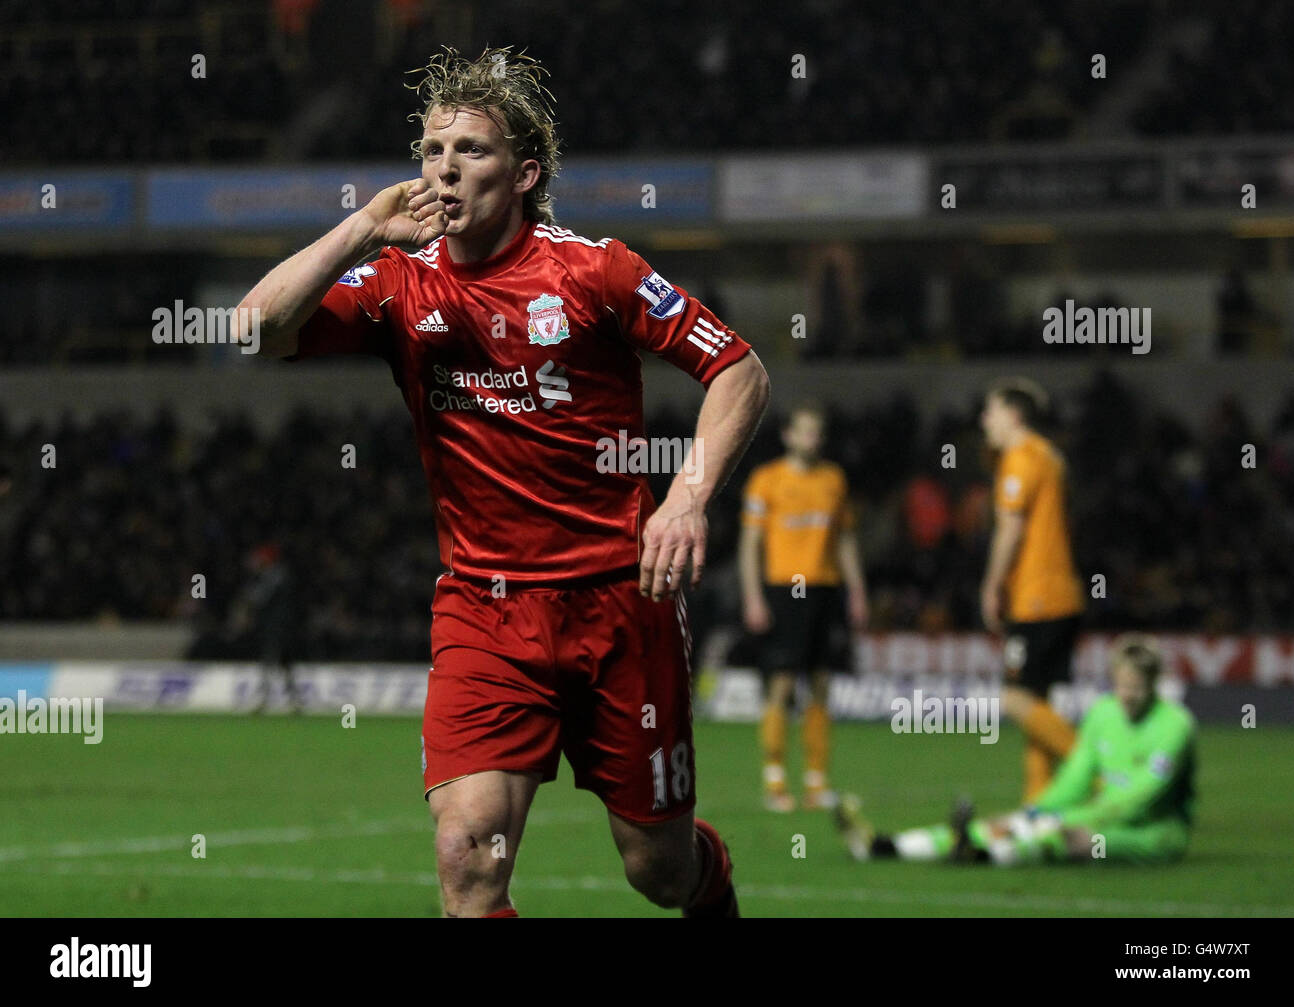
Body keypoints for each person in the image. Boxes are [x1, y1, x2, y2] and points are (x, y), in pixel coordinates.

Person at [235, 47, 770, 917]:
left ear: (524, 173)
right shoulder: (397, 284)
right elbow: (253, 331)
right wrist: (360, 231)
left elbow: (740, 370)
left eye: (470, 150)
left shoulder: (596, 272)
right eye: (433, 149)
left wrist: (685, 495)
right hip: (485, 611)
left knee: (657, 871)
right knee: (467, 859)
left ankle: (709, 878)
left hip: (618, 601)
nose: (445, 167)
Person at [835, 635, 1195, 865]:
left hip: (1154, 832)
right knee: (1009, 823)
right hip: (1097, 813)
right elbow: (1077, 776)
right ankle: (883, 846)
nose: (1126, 696)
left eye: (1135, 688)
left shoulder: (1175, 726)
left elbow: (1143, 797)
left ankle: (983, 856)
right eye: (1121, 686)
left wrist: (1070, 819)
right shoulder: (1103, 713)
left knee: (1076, 840)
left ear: (1154, 685)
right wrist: (1039, 809)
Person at [739, 404, 869, 812]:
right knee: (780, 684)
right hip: (782, 589)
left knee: (821, 685)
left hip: (825, 590)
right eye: (805, 432)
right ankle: (775, 781)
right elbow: (750, 545)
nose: (812, 440)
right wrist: (753, 596)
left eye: (818, 433)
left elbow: (845, 539)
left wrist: (857, 590)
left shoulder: (834, 480)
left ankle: (817, 784)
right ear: (789, 435)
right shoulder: (766, 481)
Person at [979, 378, 1084, 801]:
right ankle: (1037, 800)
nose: (985, 420)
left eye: (991, 410)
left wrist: (991, 586)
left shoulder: (1020, 458)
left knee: (1015, 699)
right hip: (1064, 594)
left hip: (1035, 596)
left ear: (1013, 415)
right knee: (1040, 699)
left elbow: (1011, 529)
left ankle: (1097, 775)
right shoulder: (1050, 456)